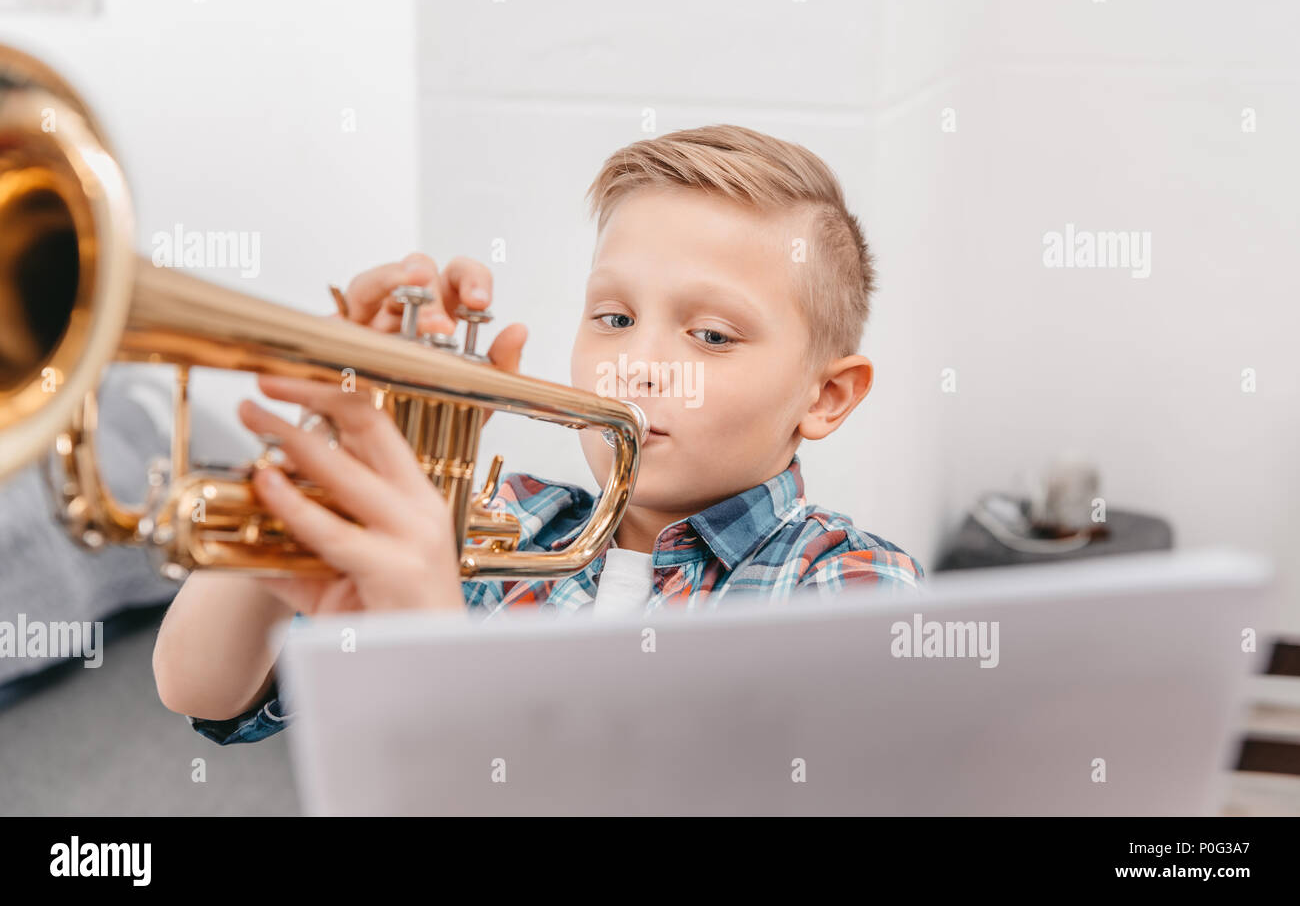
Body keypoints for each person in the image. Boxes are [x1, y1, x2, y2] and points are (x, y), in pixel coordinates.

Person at [152, 124, 924, 745]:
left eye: (713, 335)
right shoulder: (502, 522)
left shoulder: (850, 587)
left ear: (825, 396)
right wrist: (325, 438)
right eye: (614, 319)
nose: (639, 365)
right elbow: (202, 688)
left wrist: (441, 655)